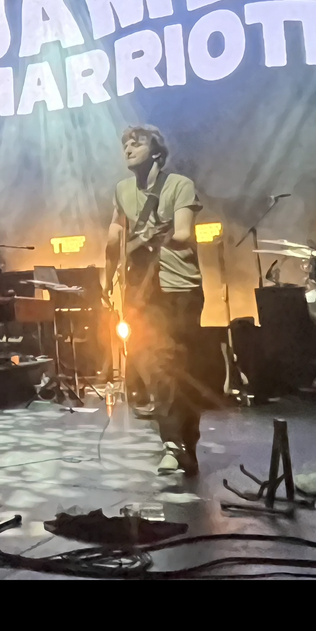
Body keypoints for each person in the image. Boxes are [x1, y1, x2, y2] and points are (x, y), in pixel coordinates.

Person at [103, 125, 205, 476]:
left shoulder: (180, 185)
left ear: (157, 151)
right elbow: (114, 236)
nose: (129, 148)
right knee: (152, 359)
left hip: (178, 287)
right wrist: (107, 276)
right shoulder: (122, 190)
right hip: (141, 289)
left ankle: (181, 444)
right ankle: (174, 443)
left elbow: (182, 233)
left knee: (177, 363)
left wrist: (151, 239)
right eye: (125, 144)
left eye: (138, 142)